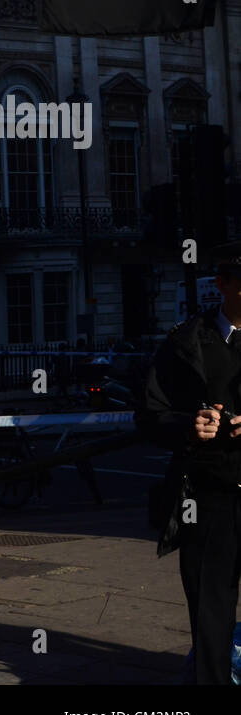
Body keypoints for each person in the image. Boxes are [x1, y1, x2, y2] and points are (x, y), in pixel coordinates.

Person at [139, 241, 241, 684]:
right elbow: (148, 414)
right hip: (208, 500)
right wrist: (188, 424)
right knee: (210, 616)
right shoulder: (185, 342)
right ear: (224, 284)